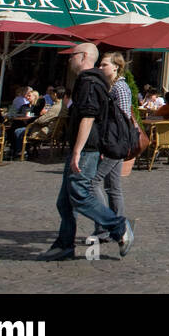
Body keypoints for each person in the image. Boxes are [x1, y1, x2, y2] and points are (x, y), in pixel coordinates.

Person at [38, 43, 133, 260]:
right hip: (84, 148)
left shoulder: (89, 82)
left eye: (72, 55)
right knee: (65, 201)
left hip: (86, 149)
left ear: (82, 57)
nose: (69, 60)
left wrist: (78, 151)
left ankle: (118, 226)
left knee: (80, 194)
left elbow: (89, 117)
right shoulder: (94, 81)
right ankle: (64, 244)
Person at [91, 52, 133, 236]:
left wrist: (110, 145)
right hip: (114, 143)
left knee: (93, 182)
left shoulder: (120, 88)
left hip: (115, 143)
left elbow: (123, 119)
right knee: (113, 187)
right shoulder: (111, 87)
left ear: (116, 67)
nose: (100, 68)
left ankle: (104, 226)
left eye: (104, 65)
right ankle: (118, 227)